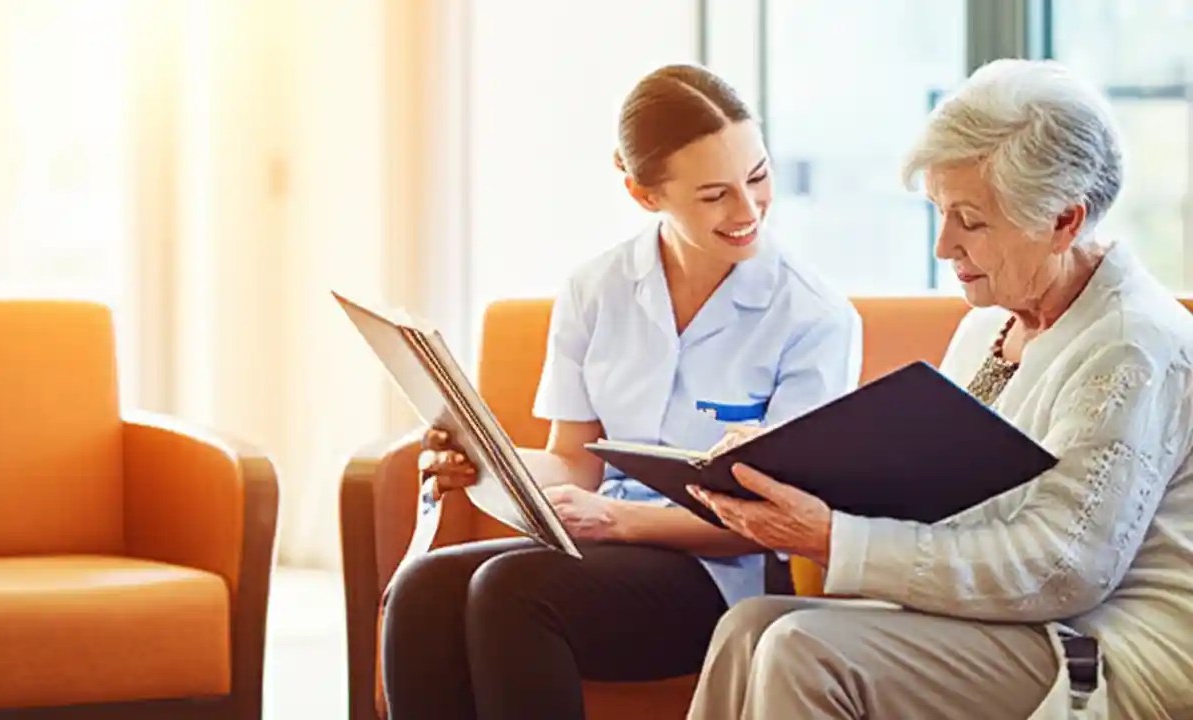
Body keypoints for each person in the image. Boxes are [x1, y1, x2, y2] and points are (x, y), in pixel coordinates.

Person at [685, 58, 1193, 720]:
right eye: (937, 213)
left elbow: (1063, 569)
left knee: (801, 648)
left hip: (1106, 640)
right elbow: (938, 492)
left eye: (971, 221)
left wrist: (835, 540)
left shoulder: (1133, 344)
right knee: (749, 627)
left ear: (1065, 220)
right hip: (1006, 622)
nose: (943, 246)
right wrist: (794, 466)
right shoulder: (989, 321)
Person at [380, 64, 862, 720]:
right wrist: (486, 462)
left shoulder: (814, 317)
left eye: (758, 176)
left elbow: (771, 521)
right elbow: (575, 460)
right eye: (715, 194)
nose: (748, 211)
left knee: (510, 590)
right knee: (422, 590)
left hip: (724, 573)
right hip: (604, 555)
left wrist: (619, 520)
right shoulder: (596, 289)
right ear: (643, 194)